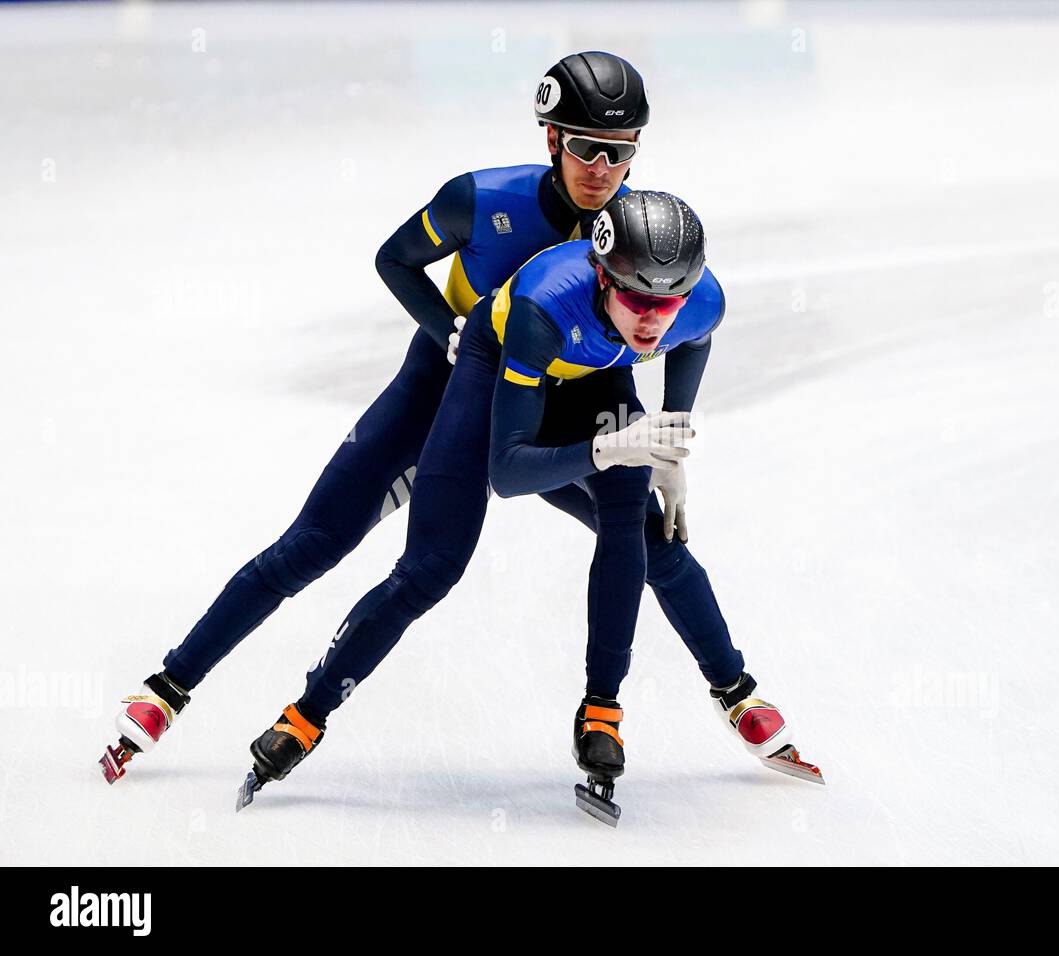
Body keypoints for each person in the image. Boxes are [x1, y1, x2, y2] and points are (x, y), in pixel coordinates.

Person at [101, 53, 804, 793]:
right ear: (550, 140)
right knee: (319, 542)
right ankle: (167, 688)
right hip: (452, 386)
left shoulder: (640, 233)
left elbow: (691, 323)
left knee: (650, 534)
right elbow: (395, 259)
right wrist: (448, 330)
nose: (602, 168)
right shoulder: (481, 200)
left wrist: (670, 439)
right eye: (584, 146)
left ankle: (727, 695)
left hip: (570, 394)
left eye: (621, 151)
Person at [241, 192, 821, 822]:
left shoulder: (698, 302)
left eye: (669, 303)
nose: (655, 320)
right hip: (500, 384)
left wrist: (672, 446)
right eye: (638, 301)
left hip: (593, 384)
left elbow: (693, 338)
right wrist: (609, 448)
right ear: (603, 277)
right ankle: (307, 712)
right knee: (430, 569)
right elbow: (509, 471)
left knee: (650, 536)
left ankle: (647, 703)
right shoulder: (545, 305)